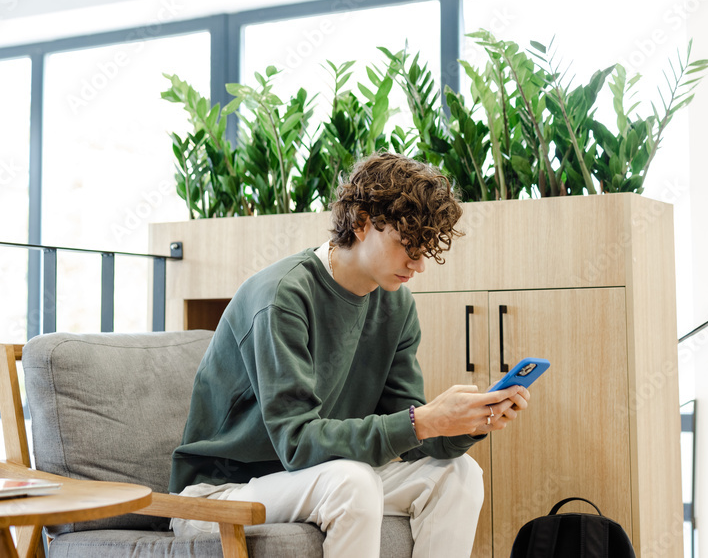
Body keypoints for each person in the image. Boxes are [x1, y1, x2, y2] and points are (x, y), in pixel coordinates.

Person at [169, 152, 529, 558]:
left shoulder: (395, 305)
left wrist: (466, 423)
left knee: (459, 475)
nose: (419, 264)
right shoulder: (282, 296)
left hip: (319, 477)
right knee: (353, 482)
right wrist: (422, 421)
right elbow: (297, 444)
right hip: (218, 493)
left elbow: (409, 437)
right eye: (407, 244)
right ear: (360, 222)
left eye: (425, 249)